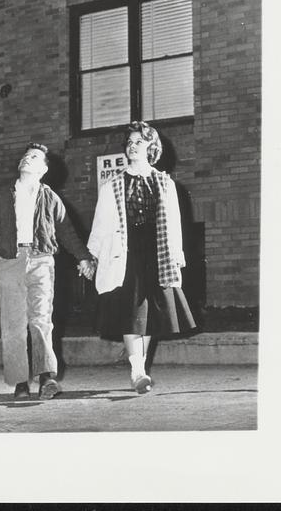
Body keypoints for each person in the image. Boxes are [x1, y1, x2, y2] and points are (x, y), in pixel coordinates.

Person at [86, 121, 197, 394]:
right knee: (130, 313)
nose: (132, 146)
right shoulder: (112, 185)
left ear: (151, 146)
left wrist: (177, 254)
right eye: (129, 142)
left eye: (138, 142)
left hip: (156, 252)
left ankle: (139, 367)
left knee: (149, 316)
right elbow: (100, 224)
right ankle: (137, 369)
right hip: (125, 254)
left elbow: (173, 221)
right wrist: (92, 256)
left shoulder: (165, 183)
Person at [0, 142, 95, 400]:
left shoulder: (50, 197)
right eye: (25, 156)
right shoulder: (3, 195)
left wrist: (83, 258)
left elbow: (66, 231)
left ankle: (46, 378)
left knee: (41, 319)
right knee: (13, 325)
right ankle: (20, 382)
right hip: (10, 261)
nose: (27, 159)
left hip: (41, 260)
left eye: (34, 157)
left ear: (43, 169)